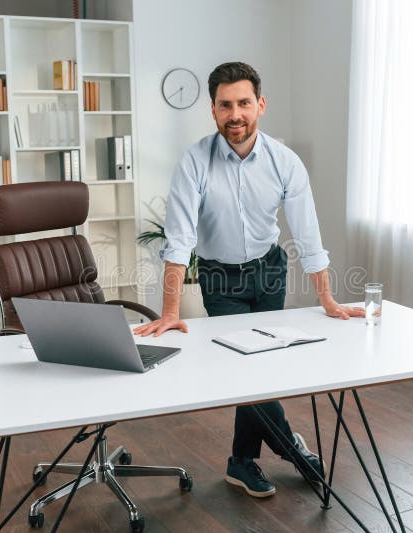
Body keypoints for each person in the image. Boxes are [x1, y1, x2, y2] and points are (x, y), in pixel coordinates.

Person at [133, 62, 364, 498]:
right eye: (225, 105)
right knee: (247, 365)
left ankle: (241, 462)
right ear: (213, 110)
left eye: (243, 103)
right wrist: (169, 311)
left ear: (260, 105)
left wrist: (329, 301)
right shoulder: (194, 162)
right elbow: (179, 240)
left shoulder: (284, 162)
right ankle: (292, 450)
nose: (235, 114)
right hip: (220, 278)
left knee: (262, 366)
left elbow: (308, 236)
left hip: (270, 270)